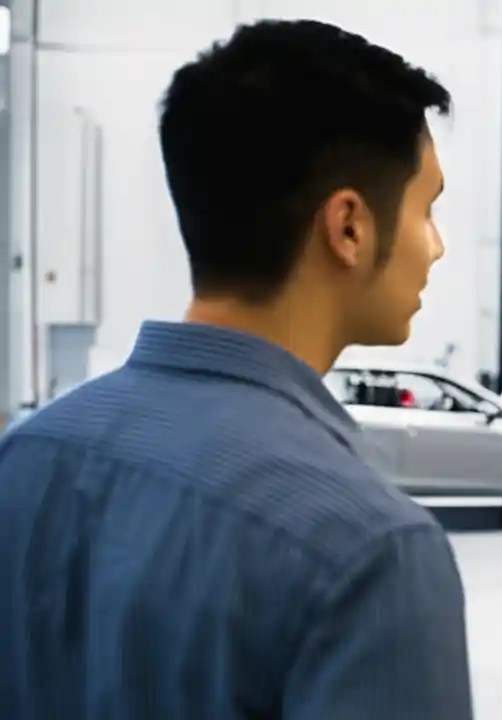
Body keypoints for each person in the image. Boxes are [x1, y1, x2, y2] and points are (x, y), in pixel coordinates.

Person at [0, 20, 472, 719]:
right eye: (426, 209)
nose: (436, 247)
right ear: (348, 227)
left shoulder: (26, 457)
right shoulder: (370, 551)